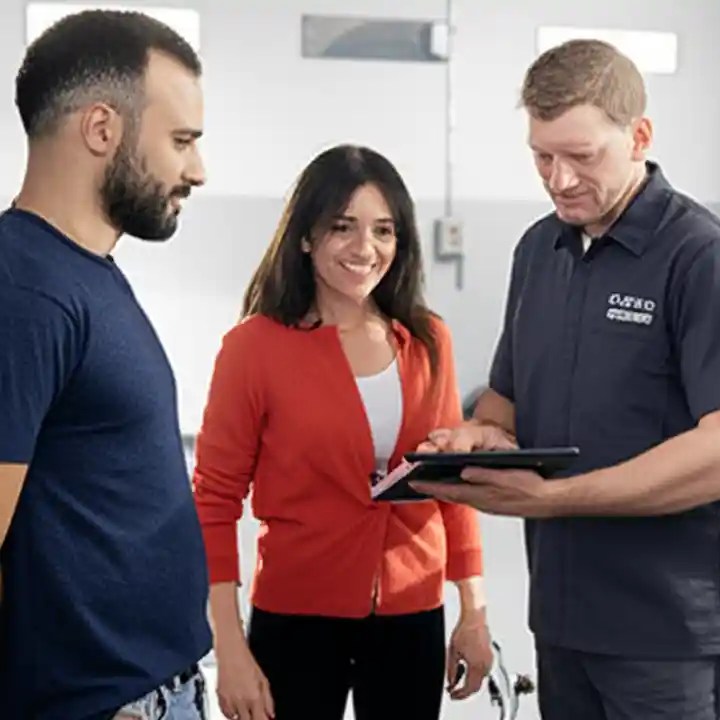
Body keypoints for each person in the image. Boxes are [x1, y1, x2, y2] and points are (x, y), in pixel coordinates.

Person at [413, 40, 720, 720]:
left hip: (666, 634)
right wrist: (478, 438)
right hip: (562, 619)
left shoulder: (702, 258)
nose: (560, 180)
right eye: (542, 157)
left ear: (639, 137)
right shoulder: (539, 250)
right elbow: (506, 403)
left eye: (581, 156)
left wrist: (556, 499)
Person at [191, 144, 494, 720]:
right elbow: (214, 500)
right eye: (342, 227)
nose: (365, 248)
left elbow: (452, 486)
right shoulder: (253, 348)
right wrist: (228, 647)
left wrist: (473, 611)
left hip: (412, 614)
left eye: (383, 230)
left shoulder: (428, 341)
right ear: (306, 236)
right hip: (296, 615)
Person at [0, 10, 212, 719]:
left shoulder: (83, 274)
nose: (198, 170)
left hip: (157, 691)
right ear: (101, 129)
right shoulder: (24, 290)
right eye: (181, 141)